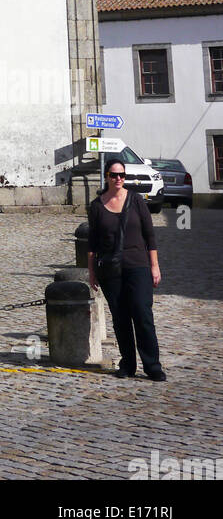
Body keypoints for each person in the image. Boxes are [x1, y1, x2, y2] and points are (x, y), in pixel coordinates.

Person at [87, 161, 166, 380]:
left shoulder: (136, 200)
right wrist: (92, 272)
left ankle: (153, 366)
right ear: (107, 176)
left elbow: (150, 235)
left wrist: (155, 265)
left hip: (138, 264)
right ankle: (127, 364)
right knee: (121, 318)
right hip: (110, 270)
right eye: (114, 175)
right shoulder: (96, 206)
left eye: (122, 175)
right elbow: (92, 243)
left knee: (142, 313)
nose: (119, 179)